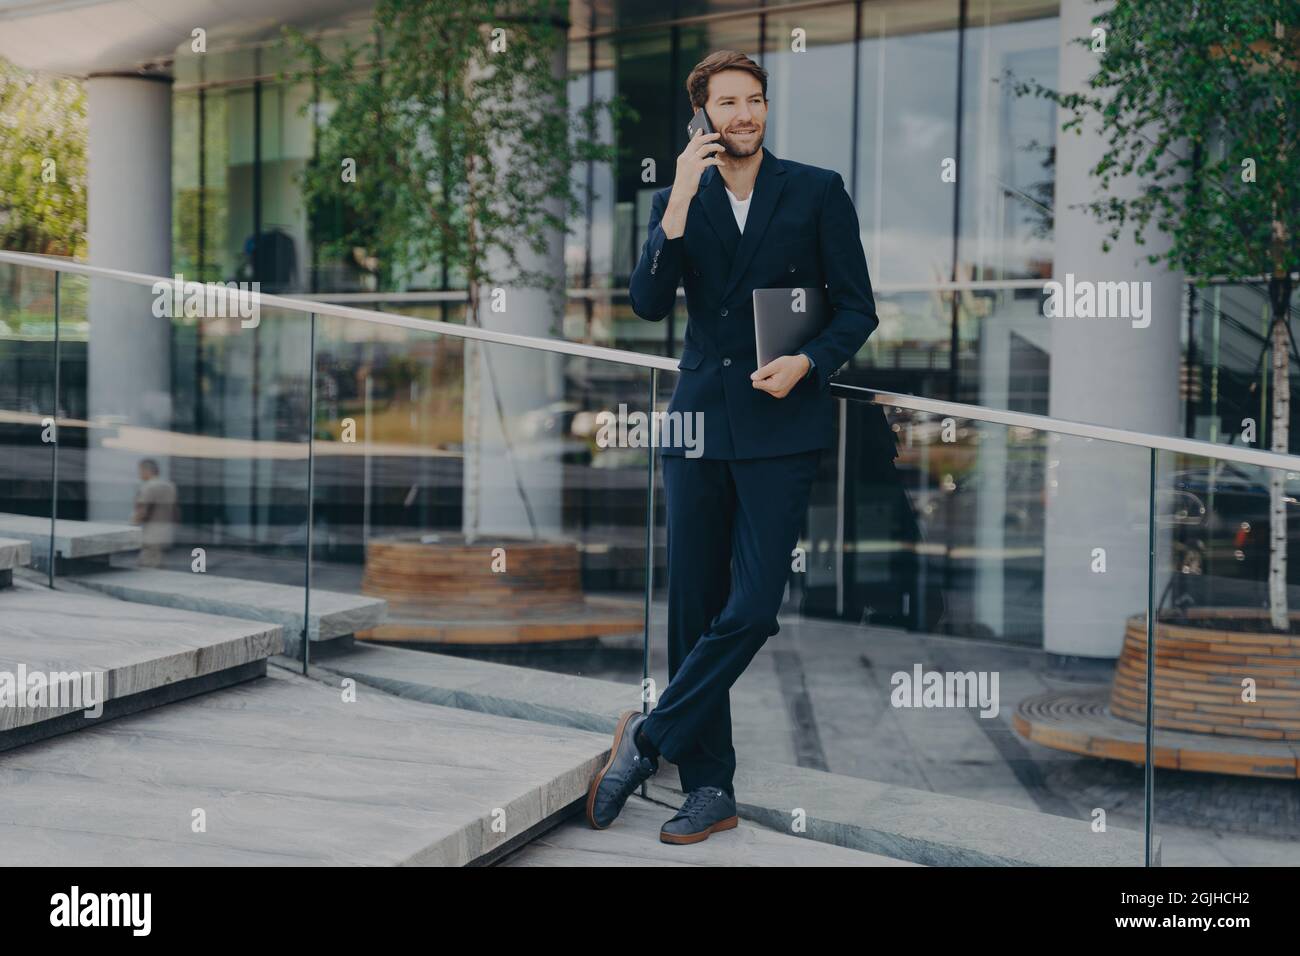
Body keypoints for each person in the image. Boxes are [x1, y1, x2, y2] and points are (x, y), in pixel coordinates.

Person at [586, 50, 878, 844]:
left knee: (751, 608)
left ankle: (647, 742)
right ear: (702, 115)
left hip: (782, 424)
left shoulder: (816, 191)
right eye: (727, 103)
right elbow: (646, 302)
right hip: (696, 425)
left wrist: (810, 361)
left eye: (754, 100)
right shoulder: (682, 198)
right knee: (693, 610)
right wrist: (677, 197)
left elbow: (857, 309)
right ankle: (711, 787)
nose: (744, 114)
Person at [130, 458, 178, 568]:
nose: (139, 474)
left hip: (151, 536)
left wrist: (132, 527)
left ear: (146, 470)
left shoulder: (148, 487)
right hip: (166, 534)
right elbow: (176, 511)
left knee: (146, 570)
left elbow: (141, 512)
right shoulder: (170, 486)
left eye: (140, 471)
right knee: (160, 567)